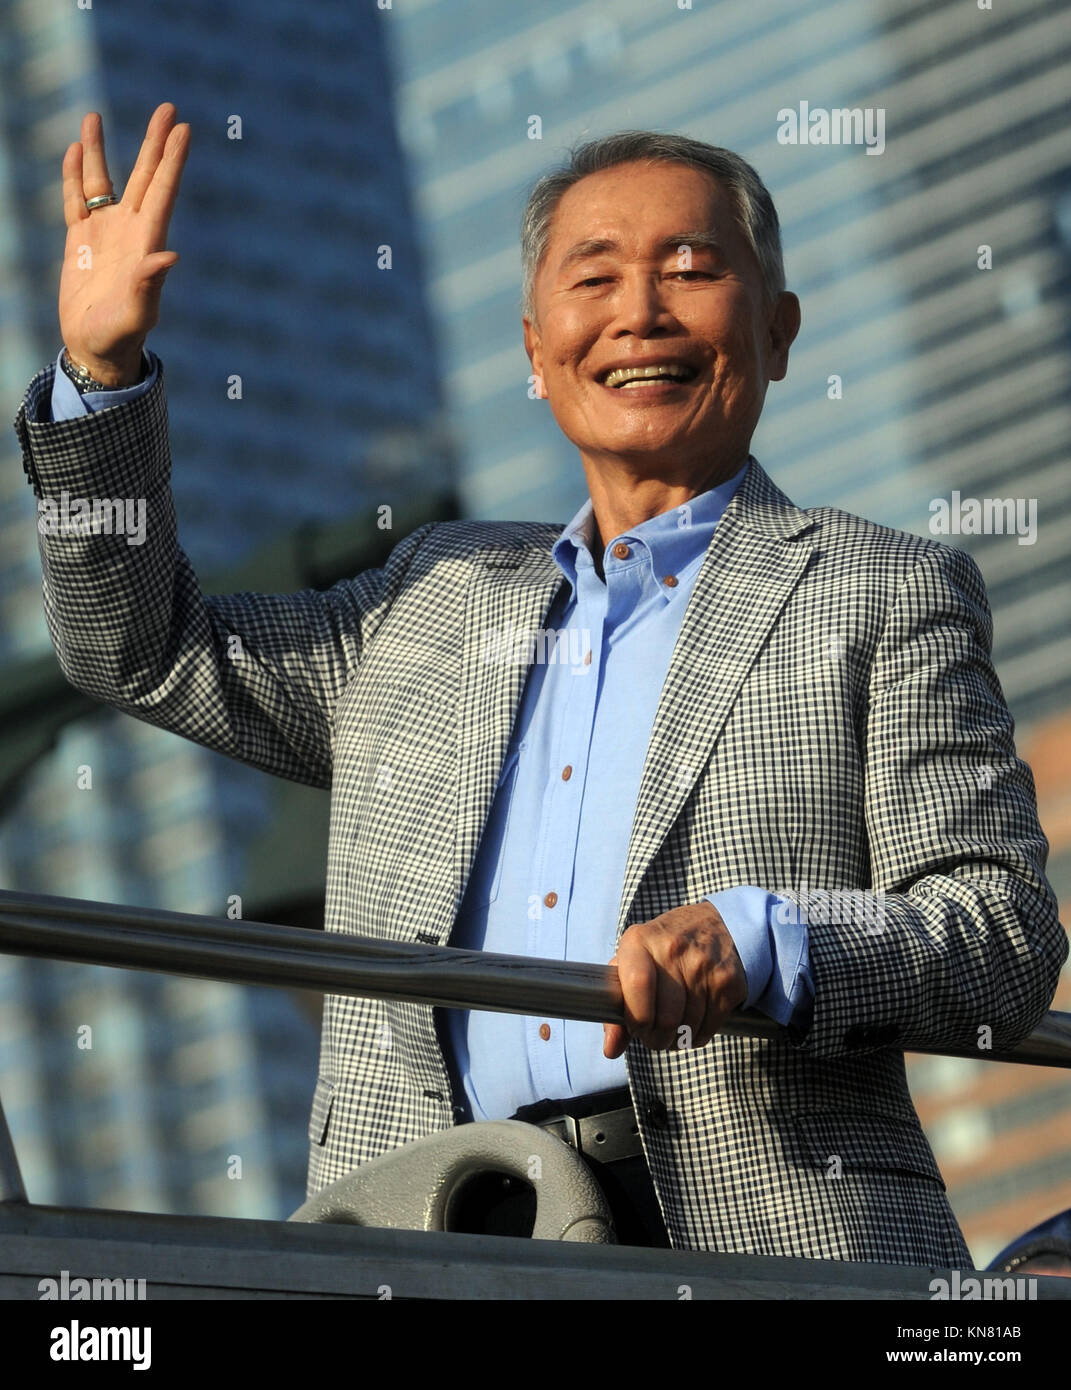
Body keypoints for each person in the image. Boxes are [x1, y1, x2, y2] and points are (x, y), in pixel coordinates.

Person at [12, 103, 1067, 1263]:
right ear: (534, 346)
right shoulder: (435, 590)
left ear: (778, 329)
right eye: (594, 276)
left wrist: (765, 942)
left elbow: (998, 932)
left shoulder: (882, 590)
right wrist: (101, 378)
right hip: (437, 1232)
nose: (640, 313)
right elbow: (140, 645)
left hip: (765, 1242)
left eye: (691, 269)